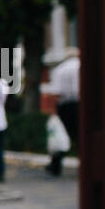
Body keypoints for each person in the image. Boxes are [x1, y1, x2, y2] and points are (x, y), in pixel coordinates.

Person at [44, 46, 80, 177]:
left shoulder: (59, 69)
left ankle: (55, 165)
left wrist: (53, 112)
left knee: (62, 136)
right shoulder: (83, 67)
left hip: (65, 105)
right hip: (80, 105)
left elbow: (55, 93)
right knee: (79, 136)